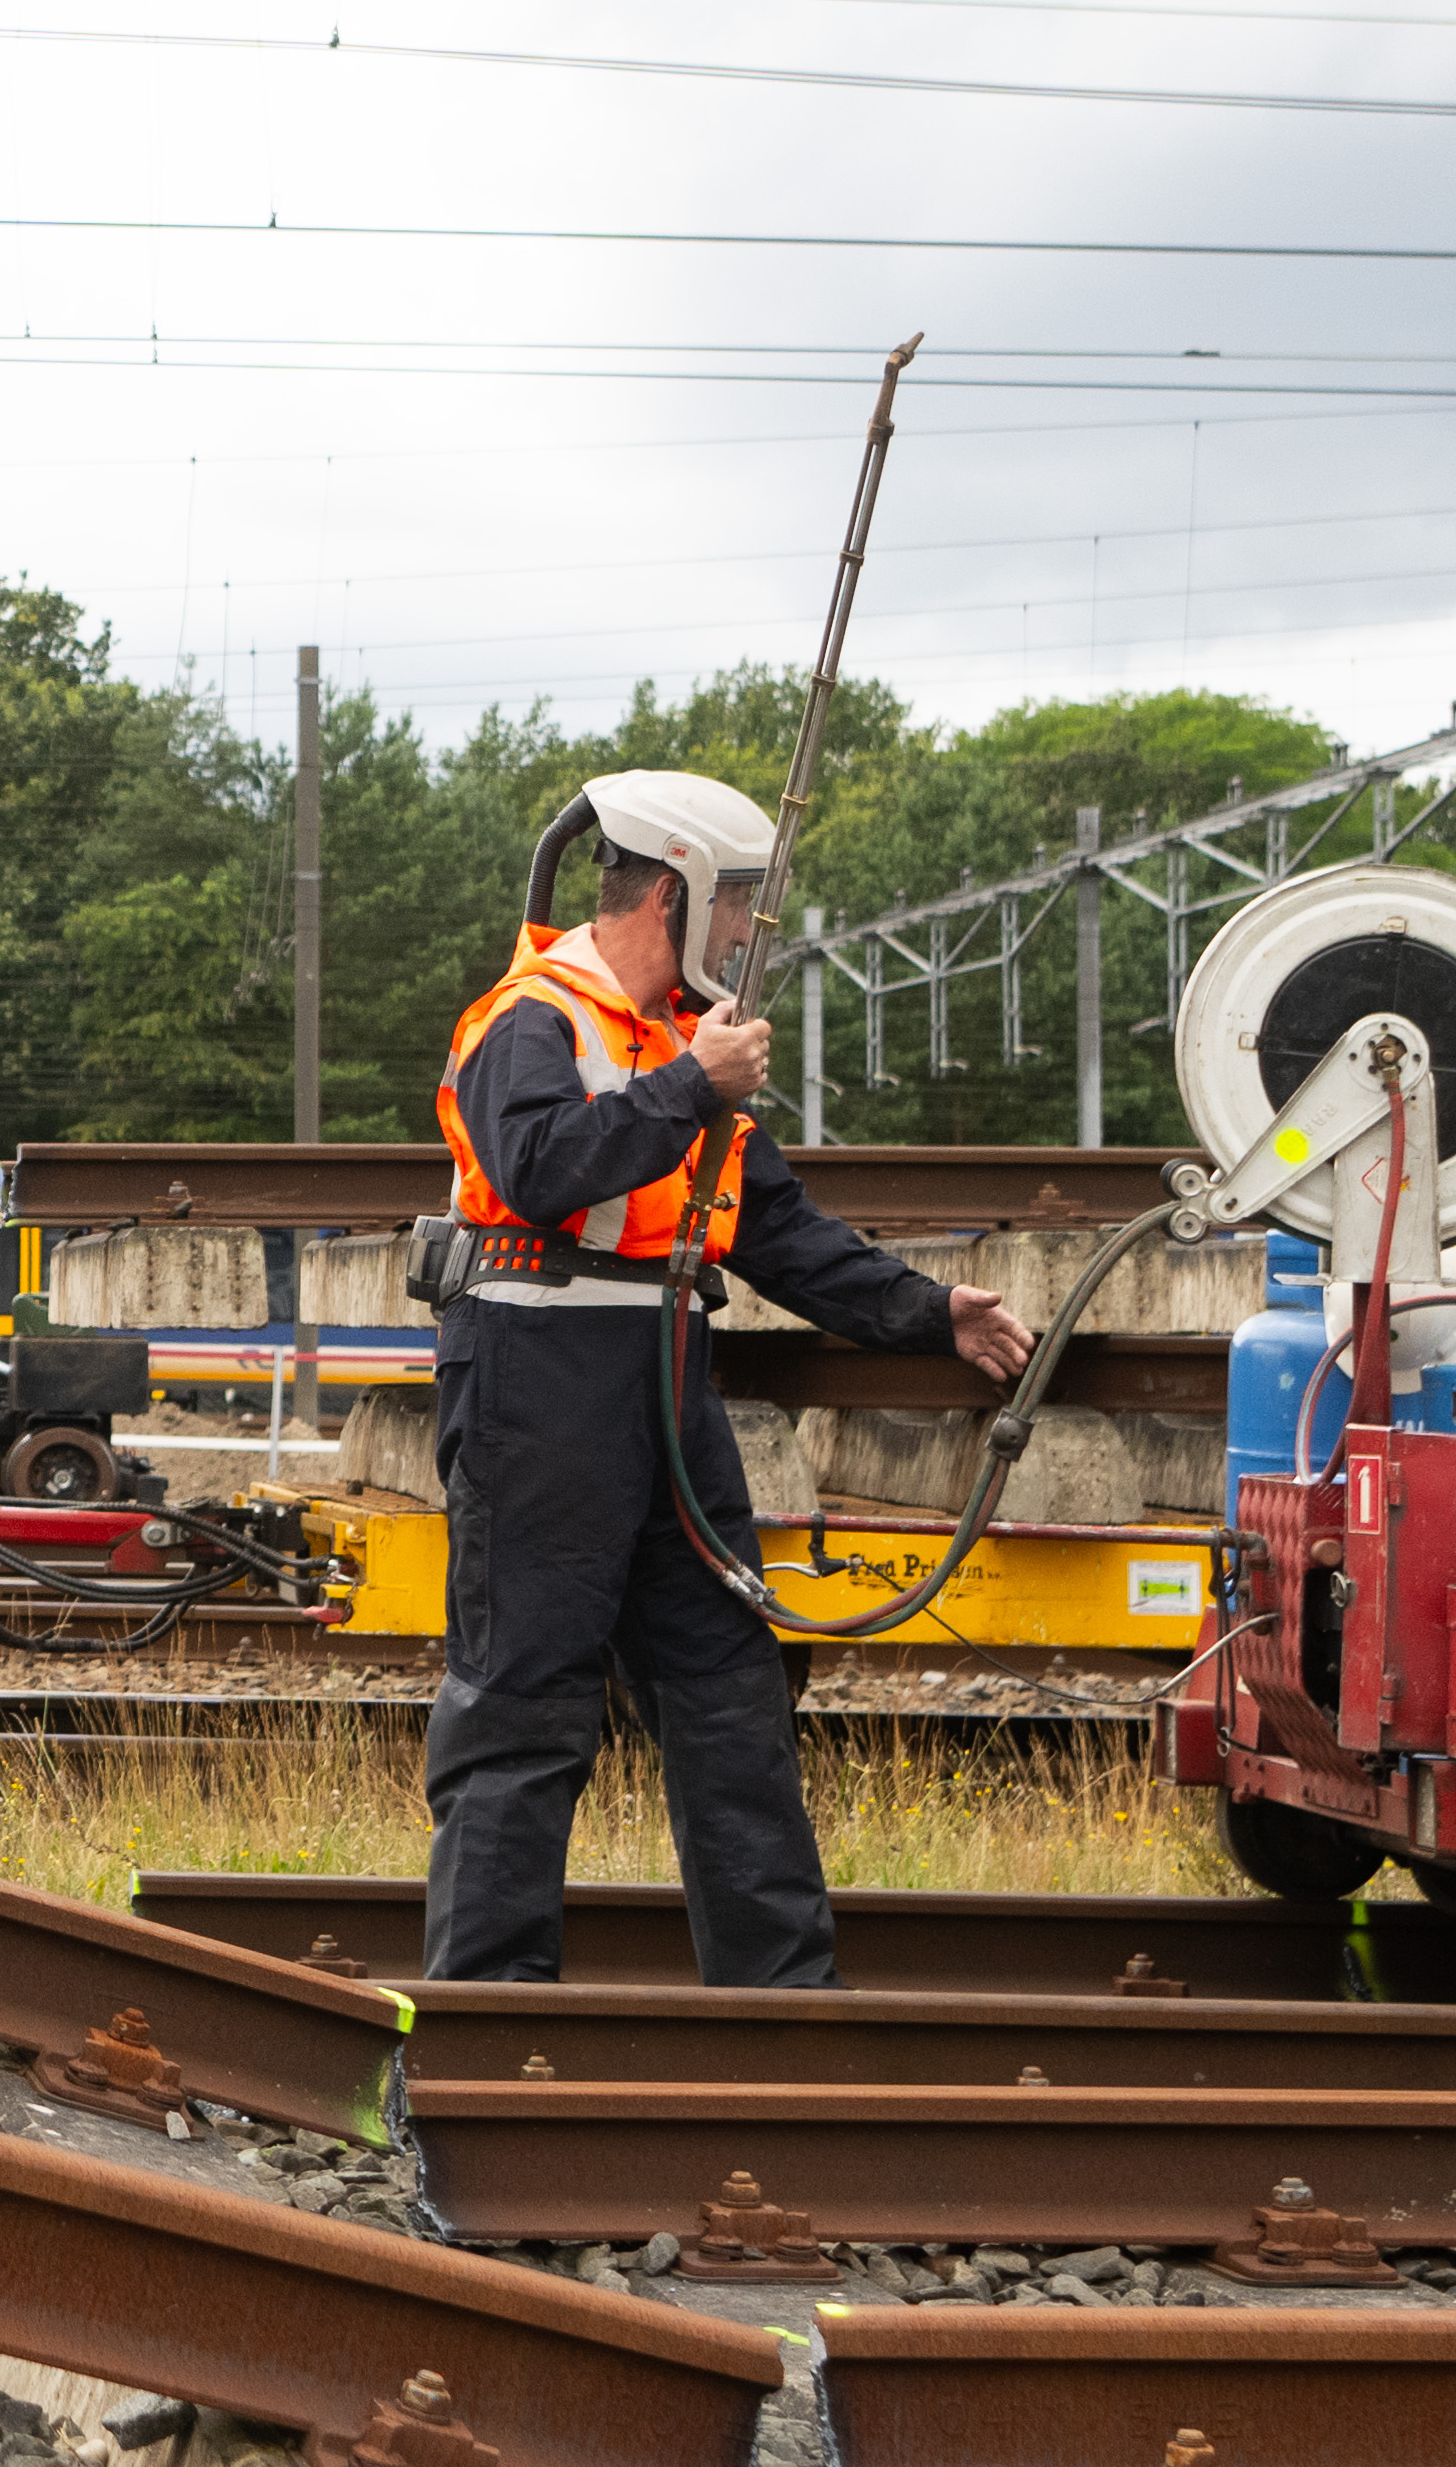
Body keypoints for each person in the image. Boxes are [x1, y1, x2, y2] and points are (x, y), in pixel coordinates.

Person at [423, 767, 1037, 1989]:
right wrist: (691, 1089)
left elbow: (778, 1231)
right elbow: (541, 1165)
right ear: (674, 890)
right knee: (526, 1705)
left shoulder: (671, 1048)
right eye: (742, 904)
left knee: (727, 1691)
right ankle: (484, 2024)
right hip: (537, 1381)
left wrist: (931, 1313)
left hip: (659, 1385)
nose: (752, 931)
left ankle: (781, 2009)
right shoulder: (531, 1018)